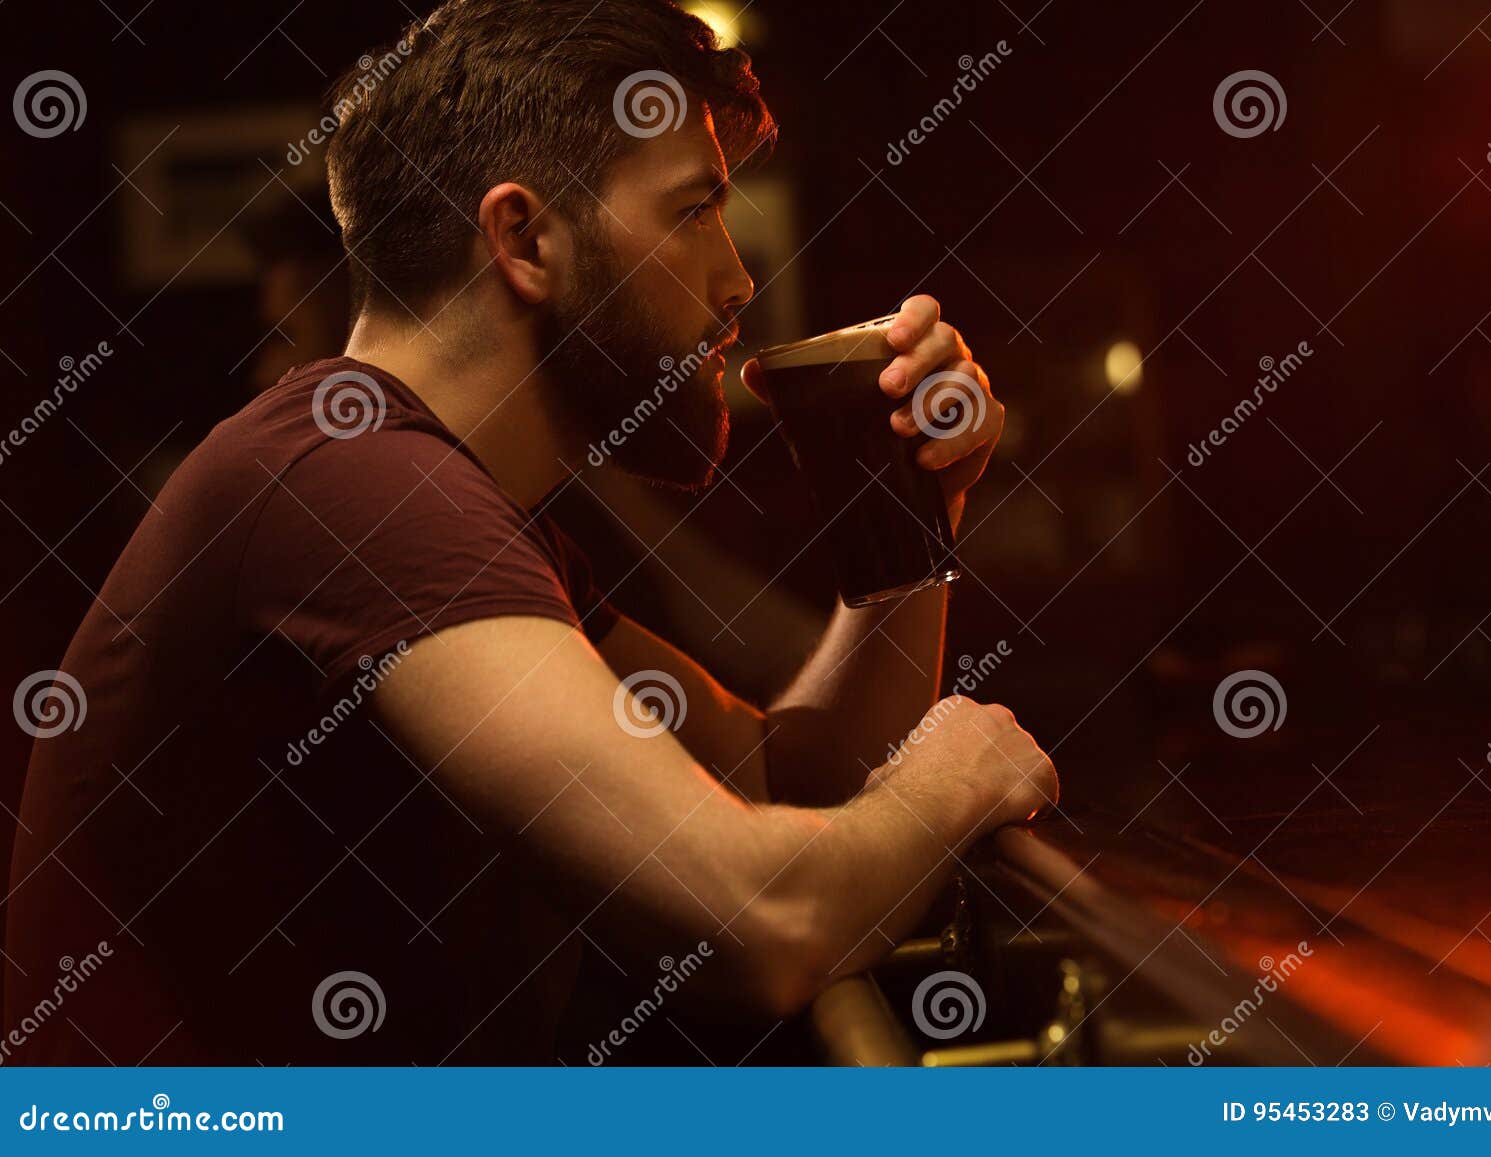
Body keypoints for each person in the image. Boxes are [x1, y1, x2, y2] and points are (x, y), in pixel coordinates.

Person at [2, 0, 1056, 1065]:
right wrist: (952, 776)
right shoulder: (348, 481)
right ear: (524, 239)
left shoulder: (453, 505)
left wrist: (903, 513)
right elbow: (761, 920)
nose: (739, 278)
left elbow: (782, 783)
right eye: (695, 210)